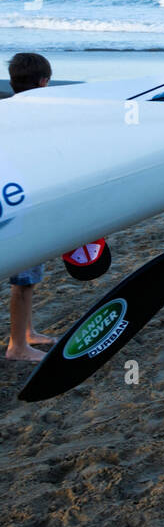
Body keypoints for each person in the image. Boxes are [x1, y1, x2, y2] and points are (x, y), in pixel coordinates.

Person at [5, 53, 56, 362]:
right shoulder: (37, 115)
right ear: (44, 82)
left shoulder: (7, 109)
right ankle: (18, 347)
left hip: (13, 200)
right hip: (24, 205)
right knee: (23, 281)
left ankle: (27, 333)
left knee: (26, 279)